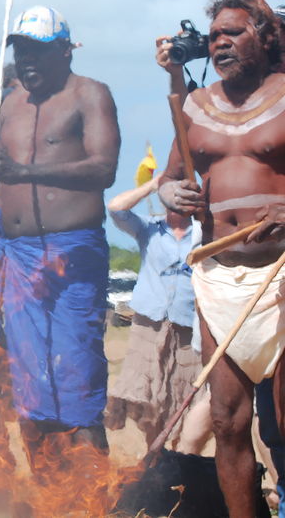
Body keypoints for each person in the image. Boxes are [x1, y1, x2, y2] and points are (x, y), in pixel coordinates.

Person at [0, 6, 121, 462]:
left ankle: (91, 499)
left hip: (70, 256)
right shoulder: (8, 102)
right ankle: (46, 500)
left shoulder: (90, 94)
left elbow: (105, 169)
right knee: (29, 384)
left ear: (65, 51)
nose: (27, 61)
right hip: (13, 257)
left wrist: (21, 170)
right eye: (20, 51)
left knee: (75, 376)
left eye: (38, 51)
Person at [159, 0, 285, 518]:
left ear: (265, 36)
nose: (220, 44)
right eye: (213, 37)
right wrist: (172, 194)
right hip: (217, 276)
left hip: (280, 273)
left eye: (232, 32)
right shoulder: (193, 104)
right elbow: (169, 180)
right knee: (228, 422)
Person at [104, 175, 205, 449]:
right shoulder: (149, 229)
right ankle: (154, 455)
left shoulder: (204, 233)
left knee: (181, 398)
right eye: (172, 201)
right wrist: (153, 185)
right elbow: (115, 207)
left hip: (188, 328)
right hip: (149, 324)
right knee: (148, 400)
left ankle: (176, 458)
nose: (176, 208)